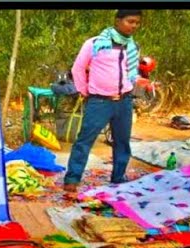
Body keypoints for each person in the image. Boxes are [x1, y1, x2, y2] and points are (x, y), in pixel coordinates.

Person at [62, 9, 145, 201]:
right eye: (130, 21)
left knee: (122, 143)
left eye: (137, 23)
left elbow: (131, 73)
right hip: (99, 102)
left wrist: (139, 82)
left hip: (124, 101)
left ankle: (118, 178)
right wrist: (85, 91)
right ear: (118, 21)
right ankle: (72, 179)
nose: (133, 26)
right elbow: (78, 69)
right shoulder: (95, 44)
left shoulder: (132, 47)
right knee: (84, 141)